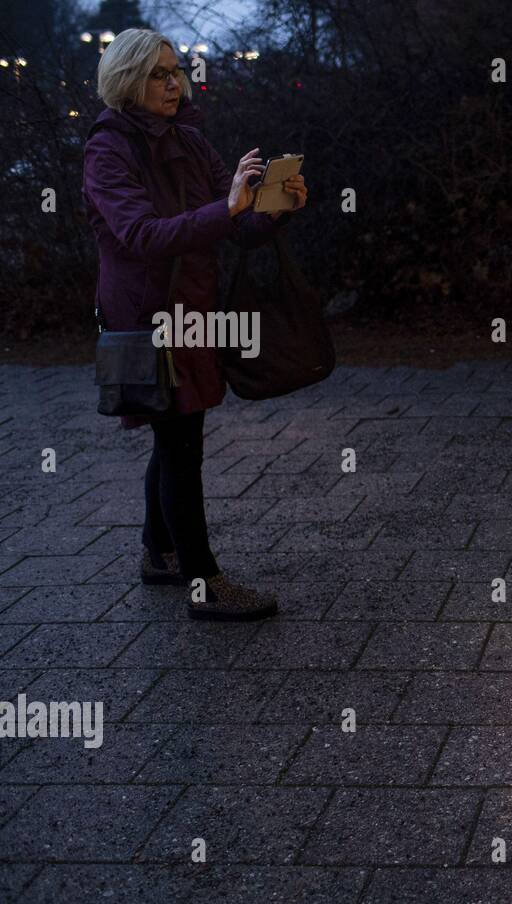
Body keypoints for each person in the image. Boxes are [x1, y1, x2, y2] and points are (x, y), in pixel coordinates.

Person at [83, 28, 308, 621]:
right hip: (147, 319)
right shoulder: (108, 149)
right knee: (179, 441)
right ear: (127, 80)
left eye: (176, 70)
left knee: (176, 431)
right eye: (159, 73)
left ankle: (158, 552)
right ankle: (203, 581)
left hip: (195, 310)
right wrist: (228, 206)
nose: (174, 82)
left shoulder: (188, 137)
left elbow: (235, 225)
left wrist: (274, 205)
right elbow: (141, 237)